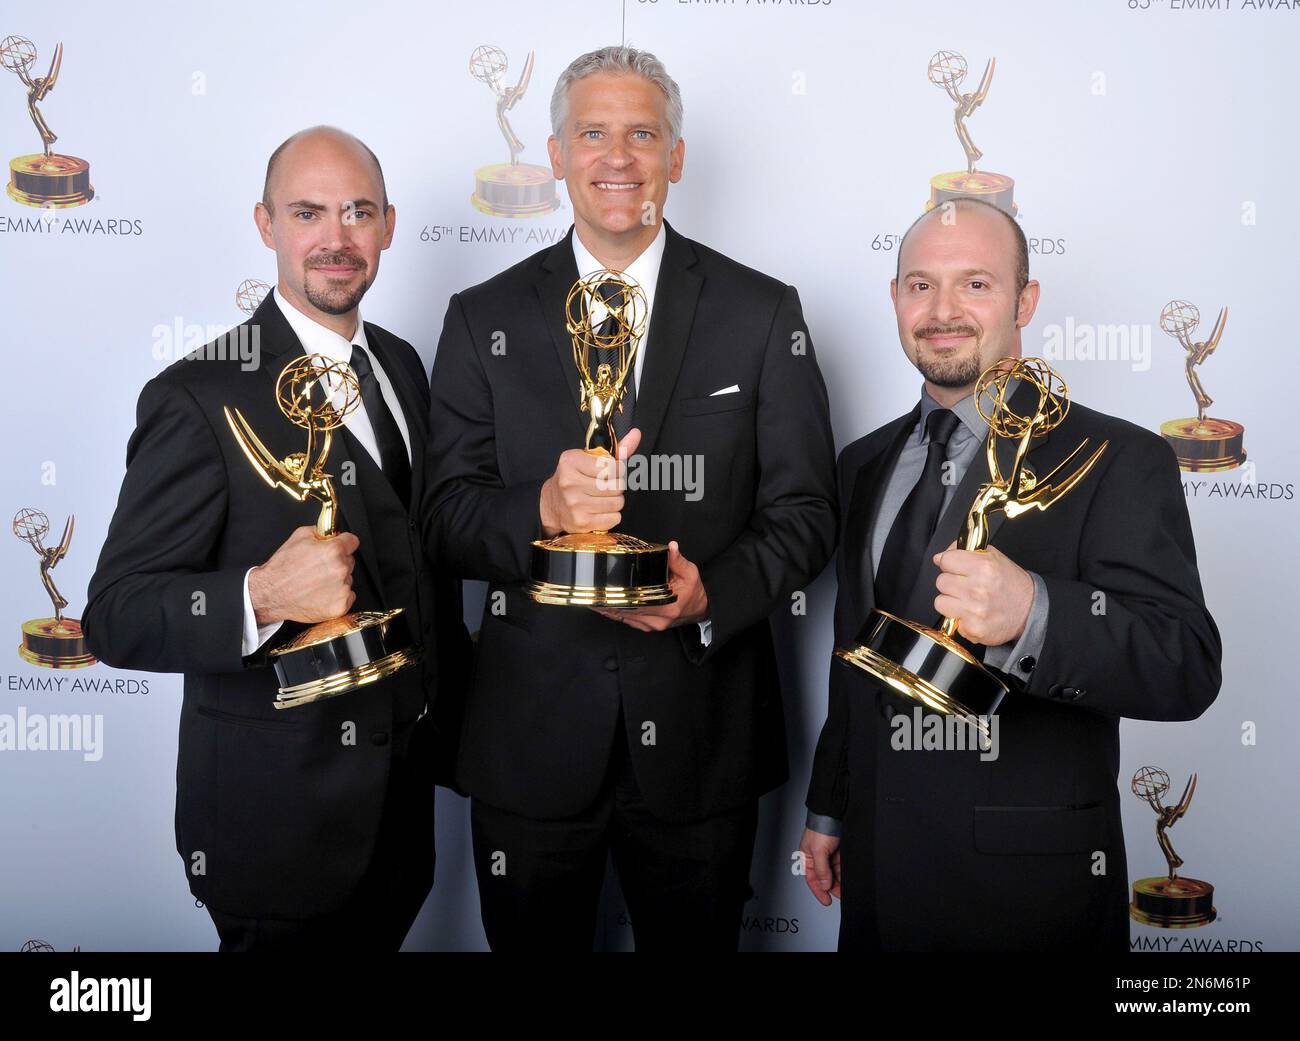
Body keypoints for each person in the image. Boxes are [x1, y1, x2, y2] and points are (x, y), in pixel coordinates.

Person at [424, 45, 837, 950]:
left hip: (704, 741)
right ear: (557, 153)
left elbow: (808, 512)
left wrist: (710, 594)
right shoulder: (480, 317)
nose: (619, 157)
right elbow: (441, 518)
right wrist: (540, 507)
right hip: (527, 747)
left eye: (642, 133)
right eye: (594, 133)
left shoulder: (762, 313)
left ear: (676, 157)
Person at [799, 197, 1222, 951]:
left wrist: (1036, 614)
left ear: (1025, 299)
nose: (943, 310)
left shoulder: (1118, 459)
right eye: (921, 285)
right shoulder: (862, 462)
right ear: (895, 299)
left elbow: (1184, 662)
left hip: (1027, 889)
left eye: (976, 284)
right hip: (878, 874)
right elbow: (853, 658)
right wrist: (830, 808)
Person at [84, 126, 470, 951]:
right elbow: (113, 615)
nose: (337, 238)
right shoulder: (195, 395)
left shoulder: (401, 365)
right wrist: (257, 595)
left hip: (401, 814)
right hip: (277, 829)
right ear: (266, 224)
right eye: (308, 212)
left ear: (390, 227)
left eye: (358, 212)